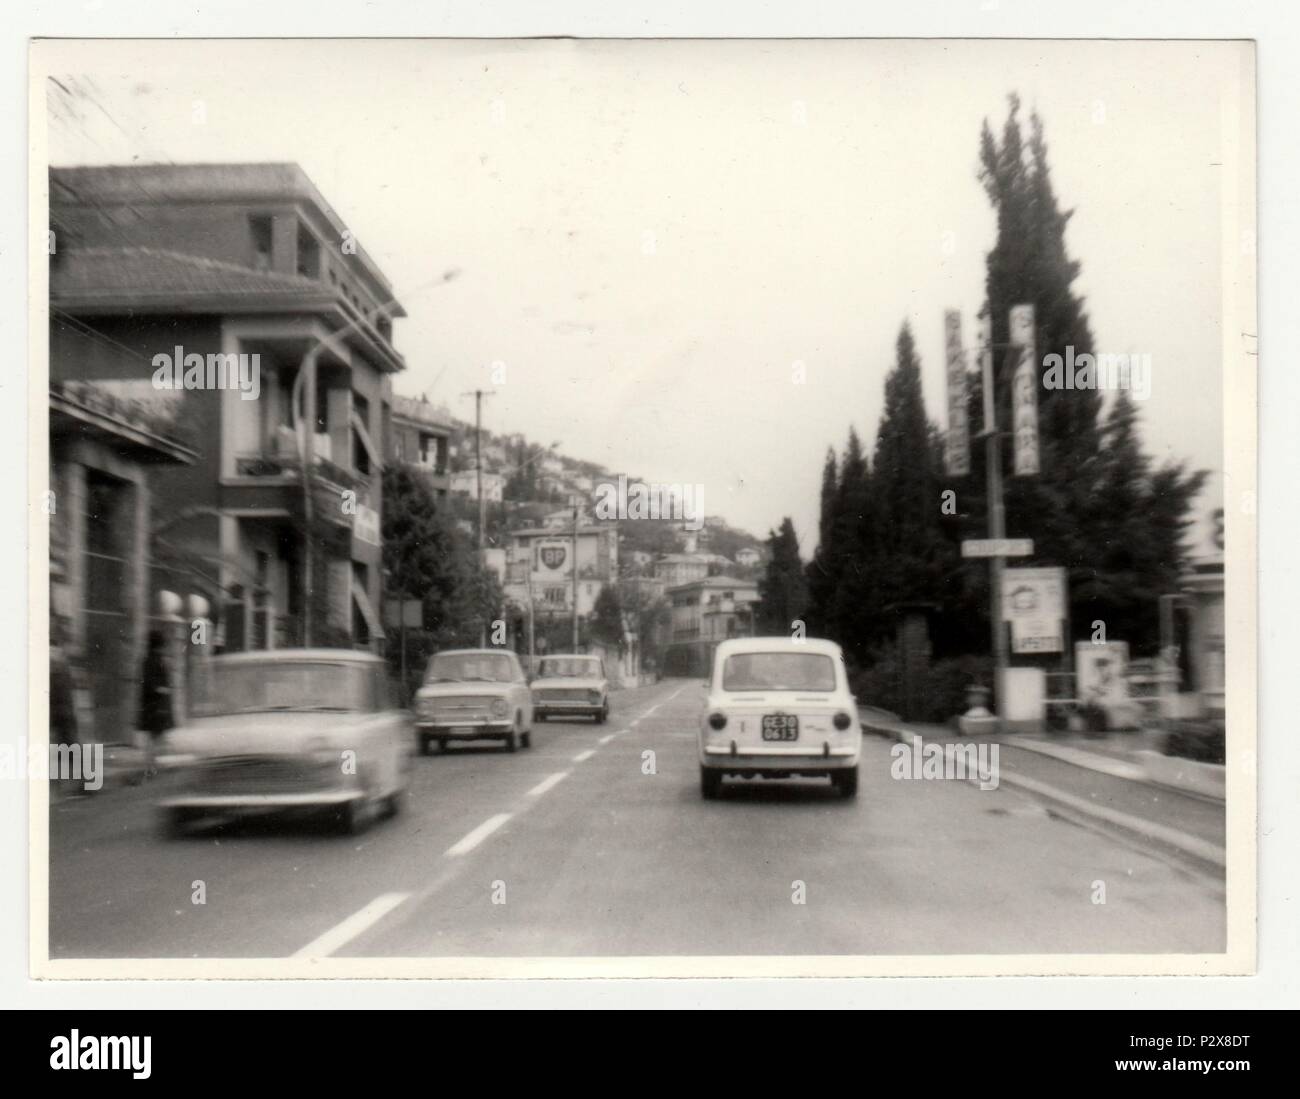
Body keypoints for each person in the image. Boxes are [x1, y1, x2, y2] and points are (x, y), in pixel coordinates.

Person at [138, 629, 174, 781]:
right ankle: (150, 767)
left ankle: (152, 766)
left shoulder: (151, 659)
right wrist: (164, 689)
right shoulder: (153, 660)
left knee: (156, 737)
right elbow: (151, 684)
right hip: (155, 704)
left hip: (154, 704)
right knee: (155, 737)